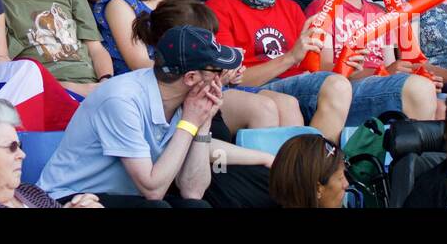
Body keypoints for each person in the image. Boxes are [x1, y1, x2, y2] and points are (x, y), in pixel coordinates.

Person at [37, 24, 271, 207]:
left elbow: (193, 191)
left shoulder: (186, 98)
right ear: (190, 78)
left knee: (197, 206)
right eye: (217, 70)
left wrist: (202, 123)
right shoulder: (122, 100)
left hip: (125, 196)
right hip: (71, 198)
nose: (222, 78)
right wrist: (189, 123)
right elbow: (153, 190)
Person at [205, 0, 363, 136]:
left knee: (344, 86)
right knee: (311, 96)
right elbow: (231, 80)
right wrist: (290, 57)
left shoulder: (290, 7)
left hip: (299, 88)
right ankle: (312, 164)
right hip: (252, 92)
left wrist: (344, 65)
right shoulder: (217, 9)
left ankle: (318, 162)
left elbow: (312, 71)